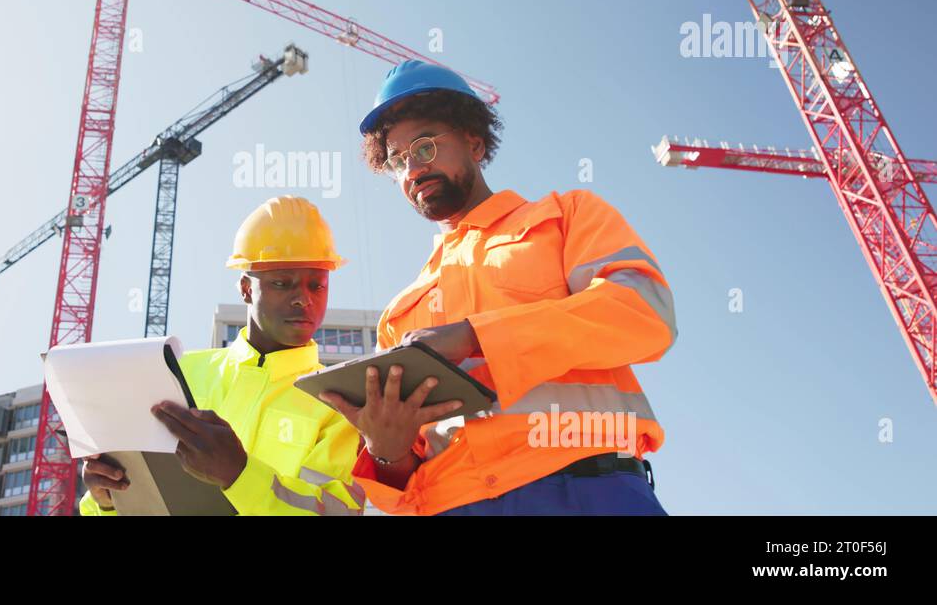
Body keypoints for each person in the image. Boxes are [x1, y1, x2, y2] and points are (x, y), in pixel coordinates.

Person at [321, 60, 677, 516]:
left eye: (425, 146)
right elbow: (404, 475)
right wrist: (386, 450)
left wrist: (475, 335)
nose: (411, 169)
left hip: (589, 489)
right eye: (397, 159)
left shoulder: (566, 217)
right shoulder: (399, 316)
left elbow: (644, 313)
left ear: (474, 141)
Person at [79, 195, 366, 516]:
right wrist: (105, 500)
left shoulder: (339, 404)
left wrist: (240, 475)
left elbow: (339, 512)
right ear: (246, 288)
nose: (303, 299)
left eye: (318, 285)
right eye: (283, 283)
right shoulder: (179, 373)